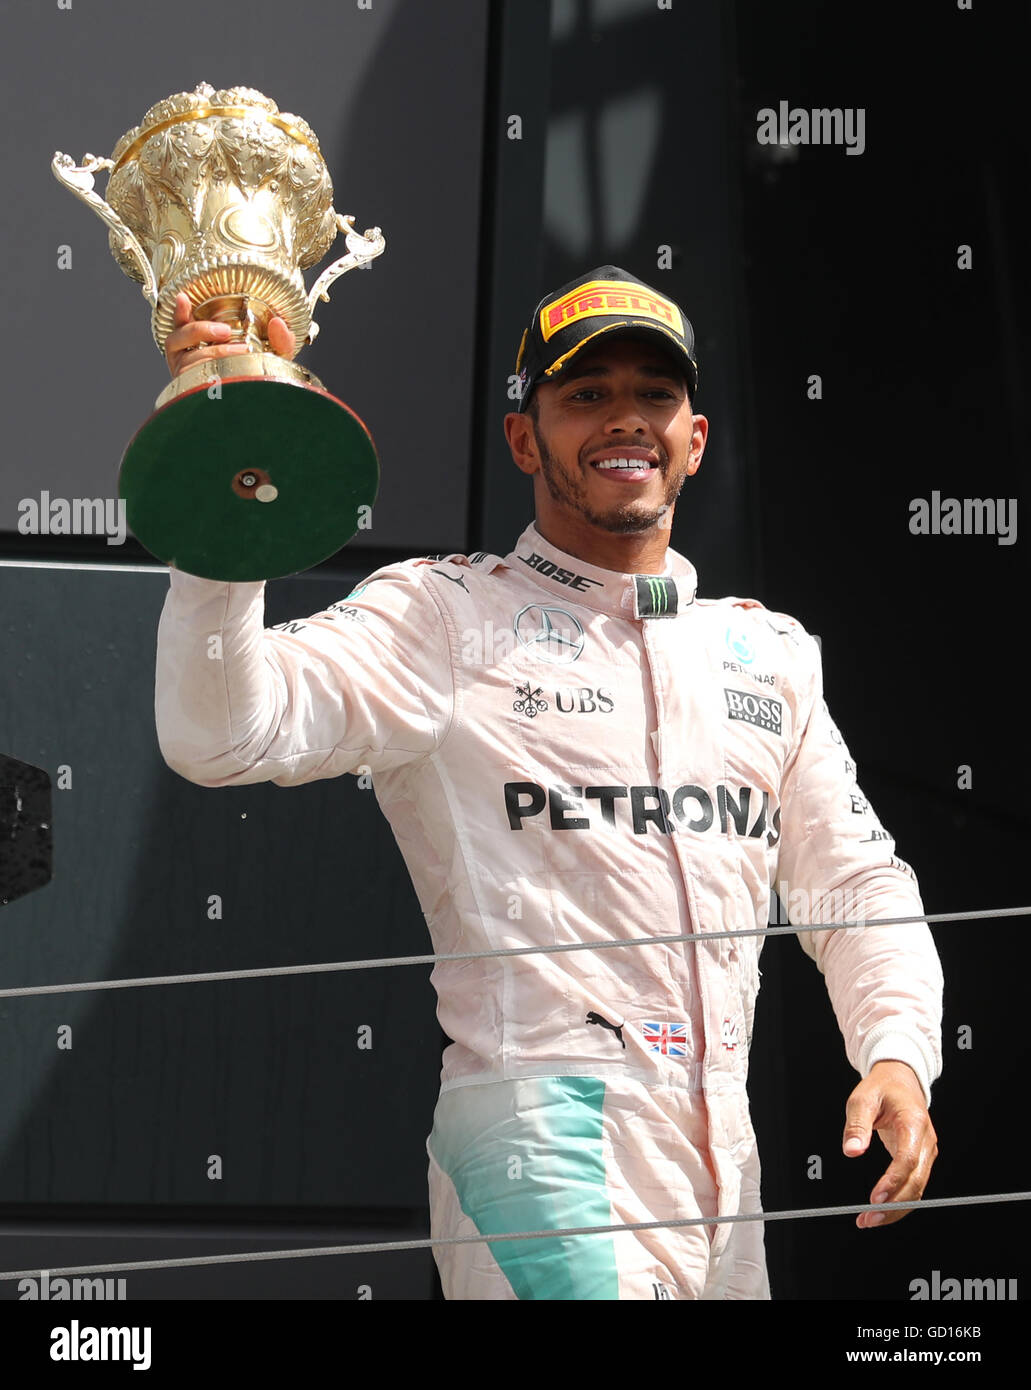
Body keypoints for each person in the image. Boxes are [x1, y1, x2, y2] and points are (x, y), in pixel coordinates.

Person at [154, 266, 943, 1300]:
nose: (624, 418)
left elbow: (854, 887)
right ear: (524, 439)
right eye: (585, 394)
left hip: (722, 1160)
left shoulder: (765, 654)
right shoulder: (442, 617)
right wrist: (227, 488)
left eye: (652, 395)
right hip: (536, 1130)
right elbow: (220, 733)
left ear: (693, 439)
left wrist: (895, 1054)